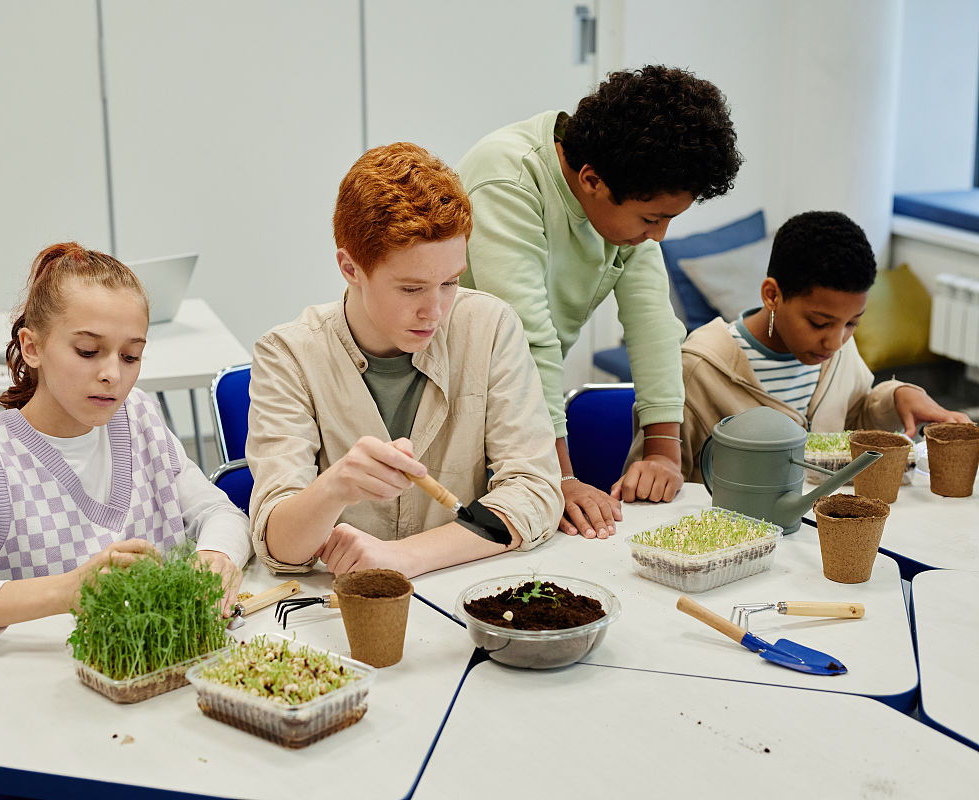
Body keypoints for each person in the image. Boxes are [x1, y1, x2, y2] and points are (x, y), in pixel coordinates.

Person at [0, 243, 252, 642]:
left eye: (130, 356)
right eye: (88, 351)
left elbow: (221, 514)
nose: (112, 374)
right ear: (32, 348)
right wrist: (67, 591)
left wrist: (216, 556)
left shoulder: (140, 416)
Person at [246, 142, 563, 578]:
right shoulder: (289, 355)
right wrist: (334, 487)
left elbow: (535, 491)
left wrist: (405, 557)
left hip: (456, 583)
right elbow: (279, 546)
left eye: (450, 282)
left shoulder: (489, 327)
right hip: (337, 601)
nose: (435, 311)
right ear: (350, 268)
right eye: (411, 289)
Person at [457, 65, 743, 539]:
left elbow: (654, 324)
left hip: (518, 406)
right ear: (592, 180)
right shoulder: (507, 180)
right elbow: (527, 342)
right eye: (652, 219)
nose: (659, 235)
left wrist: (663, 453)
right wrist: (558, 479)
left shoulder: (620, 188)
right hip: (452, 406)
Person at [626, 210, 973, 480]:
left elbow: (853, 419)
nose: (835, 341)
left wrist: (896, 397)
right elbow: (654, 479)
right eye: (819, 323)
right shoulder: (697, 370)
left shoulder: (839, 351)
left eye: (852, 323)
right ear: (772, 295)